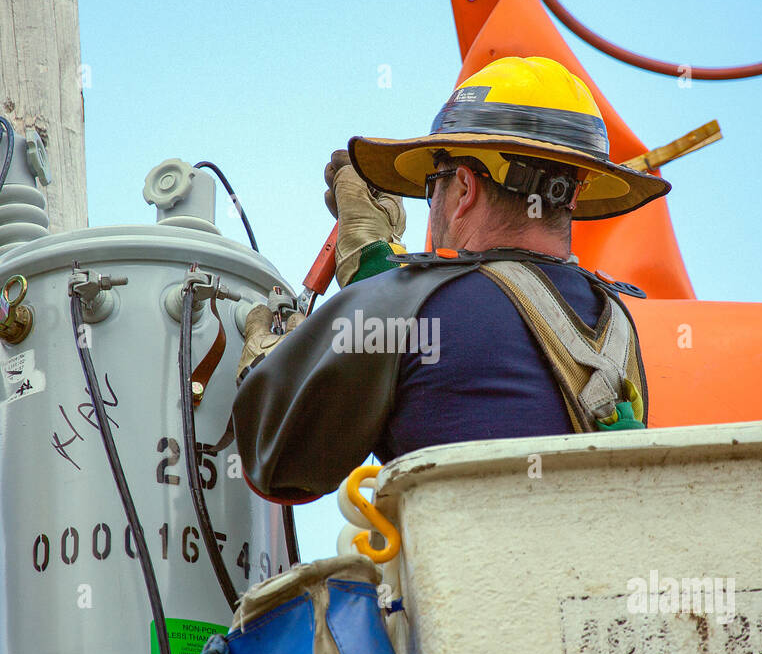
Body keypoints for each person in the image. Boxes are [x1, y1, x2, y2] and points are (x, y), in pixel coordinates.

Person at [231, 55, 671, 504]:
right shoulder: (624, 324)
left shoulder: (404, 308)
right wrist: (373, 272)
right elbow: (480, 317)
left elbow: (277, 464)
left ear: (464, 188)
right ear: (574, 194)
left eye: (433, 184)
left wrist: (263, 370)